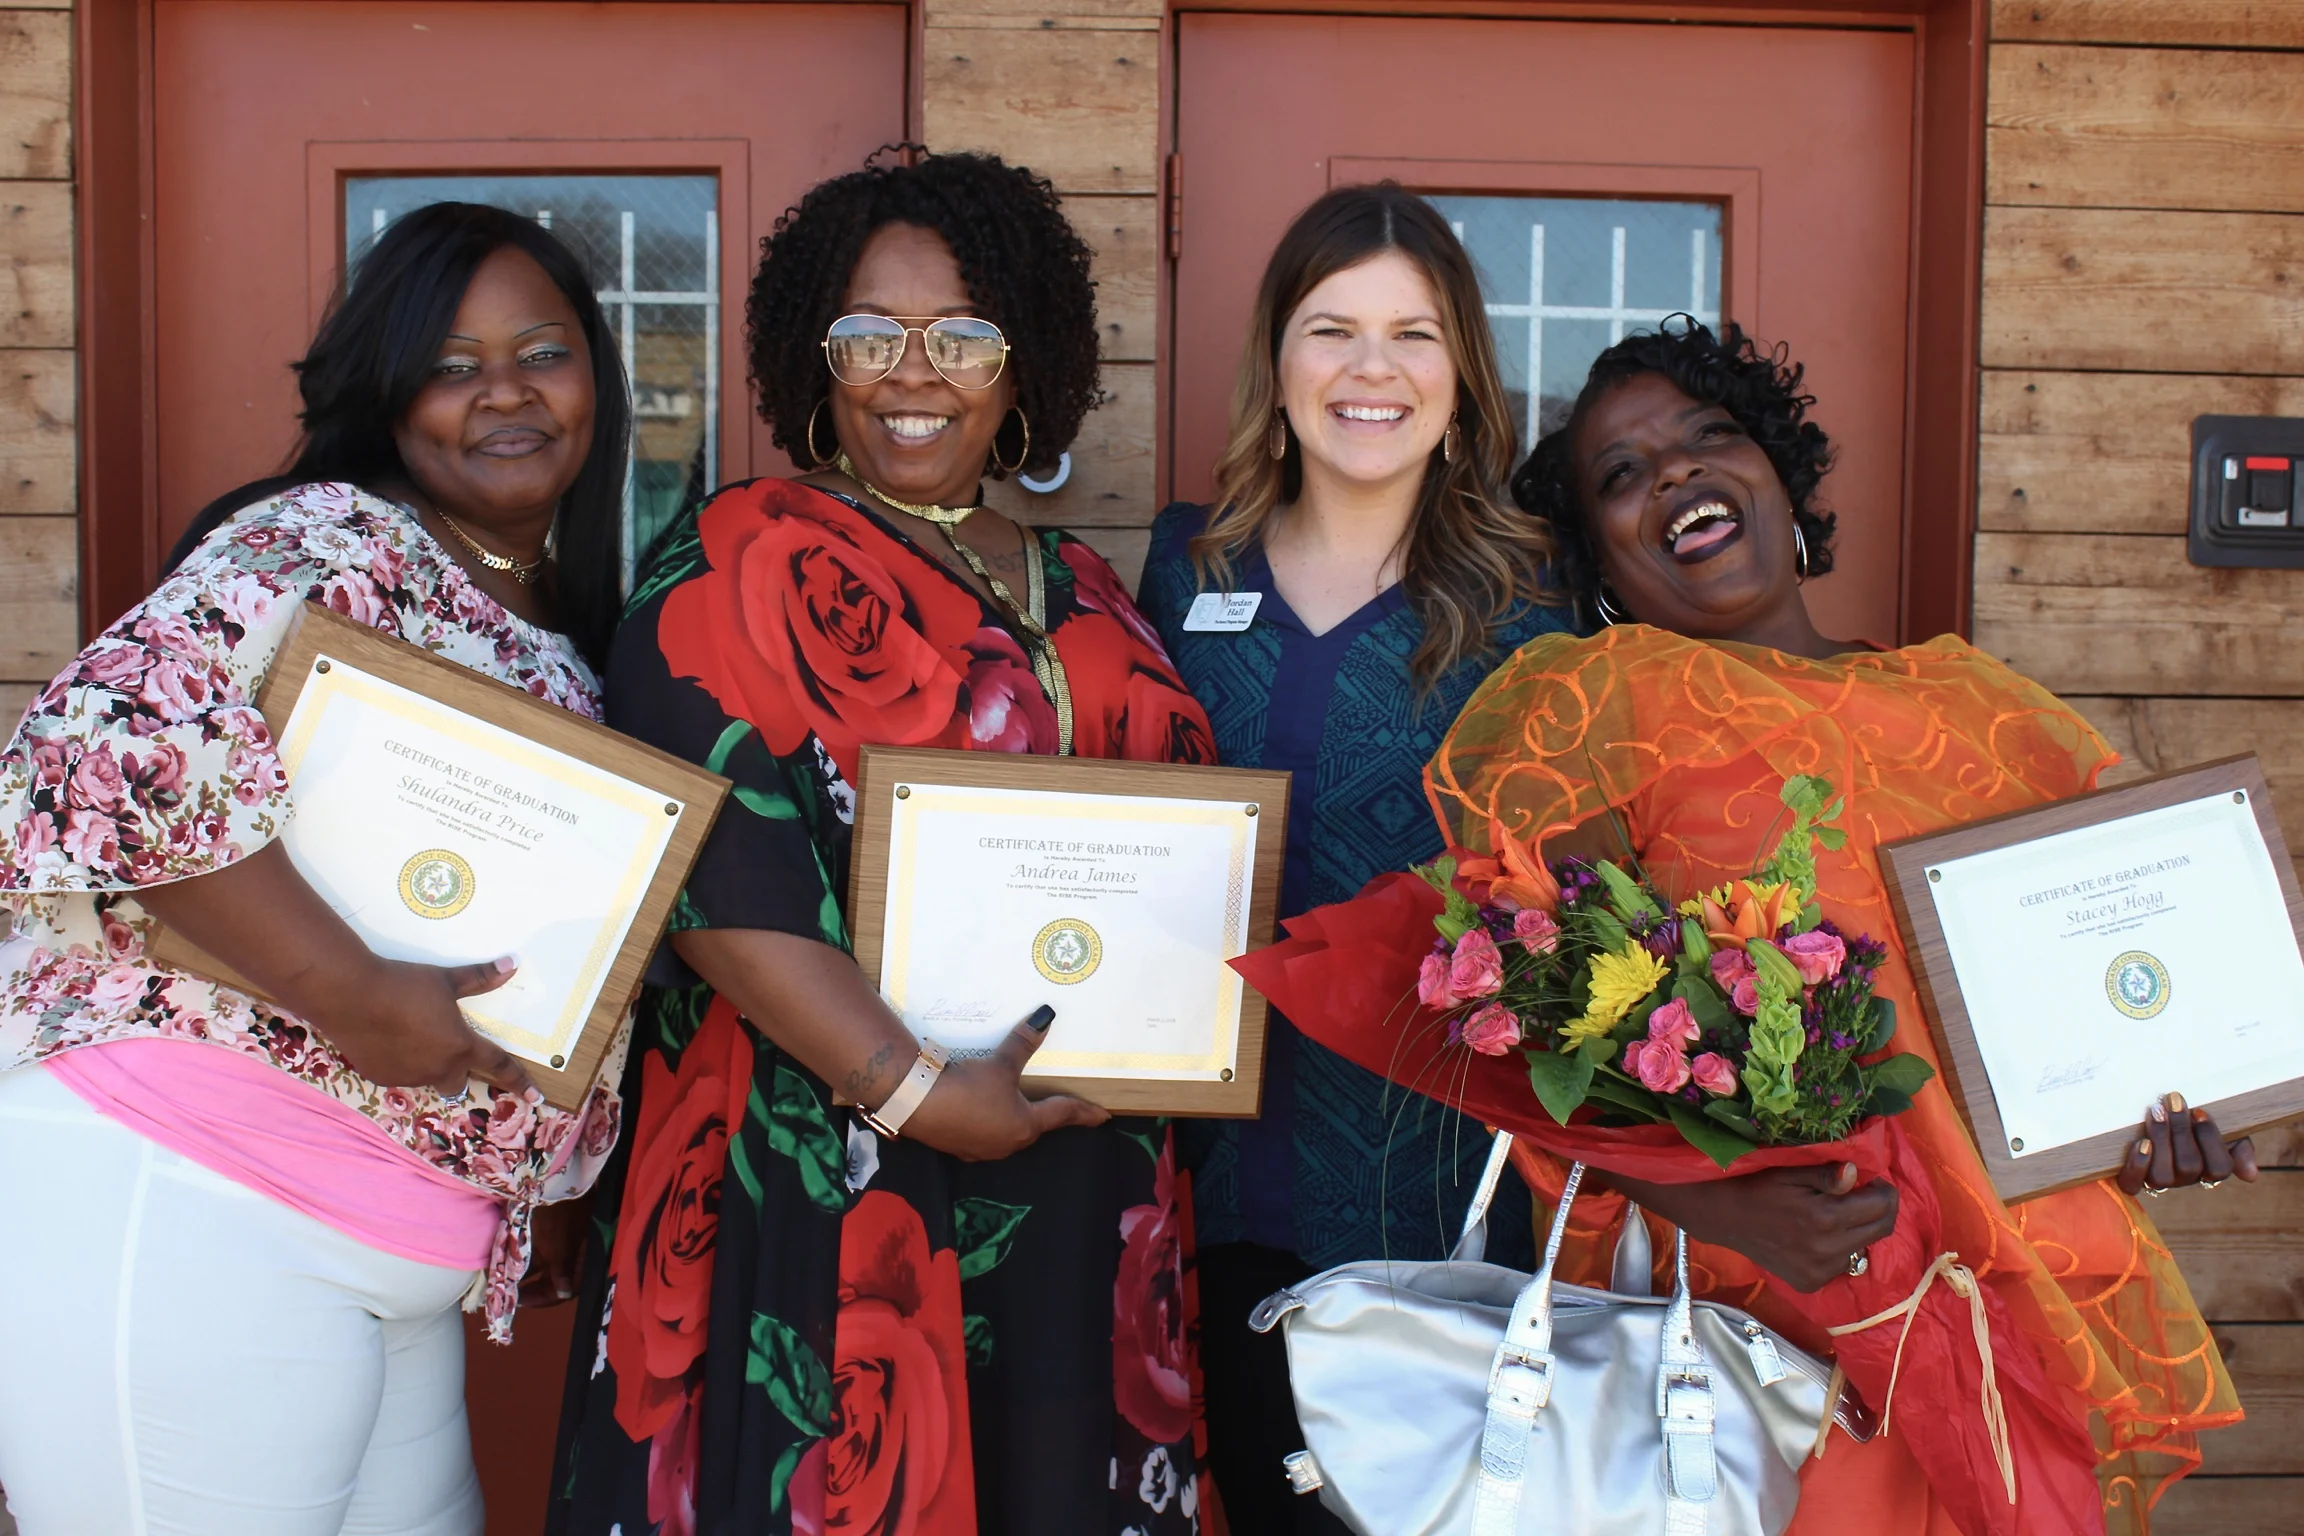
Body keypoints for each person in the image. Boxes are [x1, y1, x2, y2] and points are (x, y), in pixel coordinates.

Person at [1420, 316, 2251, 1533]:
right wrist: (1714, 1205)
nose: (1677, 471)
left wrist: (2159, 1106)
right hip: (1746, 1338)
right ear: (1601, 569)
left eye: (1711, 436)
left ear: (1781, 479)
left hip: (1997, 1307)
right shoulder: (1595, 707)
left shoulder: (1976, 708)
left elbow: (2090, 986)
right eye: (1623, 474)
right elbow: (1525, 1020)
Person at [547, 149, 1218, 1536]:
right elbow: (715, 881)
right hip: (832, 1166)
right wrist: (911, 1092)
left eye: (962, 337)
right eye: (870, 335)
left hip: (1076, 1173)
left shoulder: (1088, 583)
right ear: (817, 353)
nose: (915, 374)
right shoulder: (738, 555)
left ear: (1023, 364)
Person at [0, 202, 632, 1534]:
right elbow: (94, 751)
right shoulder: (329, 541)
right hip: (193, 1191)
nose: (506, 392)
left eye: (543, 353)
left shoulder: (555, 621)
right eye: (451, 365)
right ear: (387, 390)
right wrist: (351, 991)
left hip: (391, 1251)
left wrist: (550, 1173)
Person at [1135, 183, 1574, 1531]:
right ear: (1277, 364)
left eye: (1412, 334)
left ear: (1463, 376)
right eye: (1332, 329)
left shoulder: (1535, 611)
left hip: (1436, 1221)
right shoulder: (1180, 572)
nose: (1370, 369)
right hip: (1205, 1196)